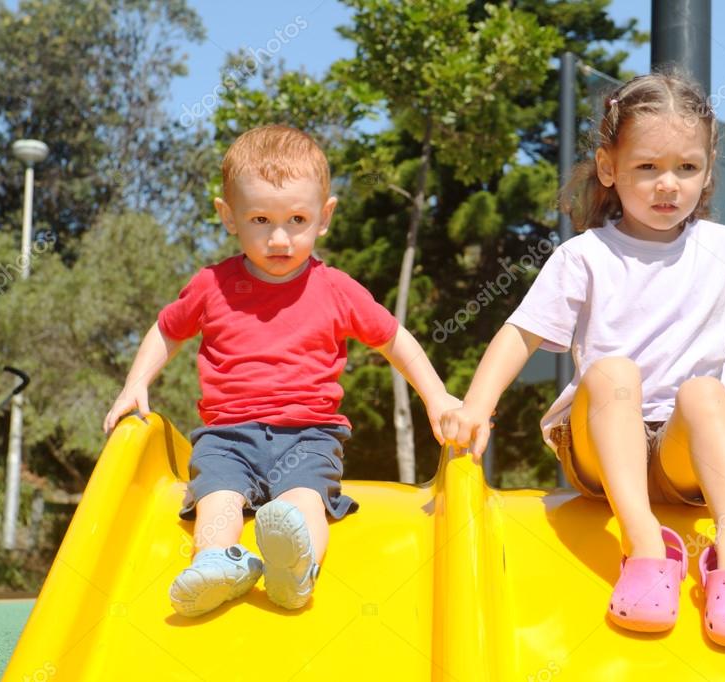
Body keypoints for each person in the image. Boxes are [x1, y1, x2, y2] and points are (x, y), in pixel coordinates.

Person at [441, 71, 725, 649]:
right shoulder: (586, 256)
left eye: (687, 168)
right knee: (614, 374)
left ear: (707, 172)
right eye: (647, 167)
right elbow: (521, 333)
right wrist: (477, 406)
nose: (667, 185)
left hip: (685, 456)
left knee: (706, 392)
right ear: (608, 169)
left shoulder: (723, 251)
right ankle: (645, 546)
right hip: (601, 447)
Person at [103, 124, 460, 617]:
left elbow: (394, 339)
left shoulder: (335, 289)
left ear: (324, 216)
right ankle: (215, 563)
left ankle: (297, 570)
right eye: (259, 219)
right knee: (217, 498)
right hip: (226, 435)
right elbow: (168, 330)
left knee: (304, 500)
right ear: (228, 216)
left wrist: (436, 397)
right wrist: (135, 382)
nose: (279, 237)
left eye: (296, 219)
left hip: (310, 434)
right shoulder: (212, 286)